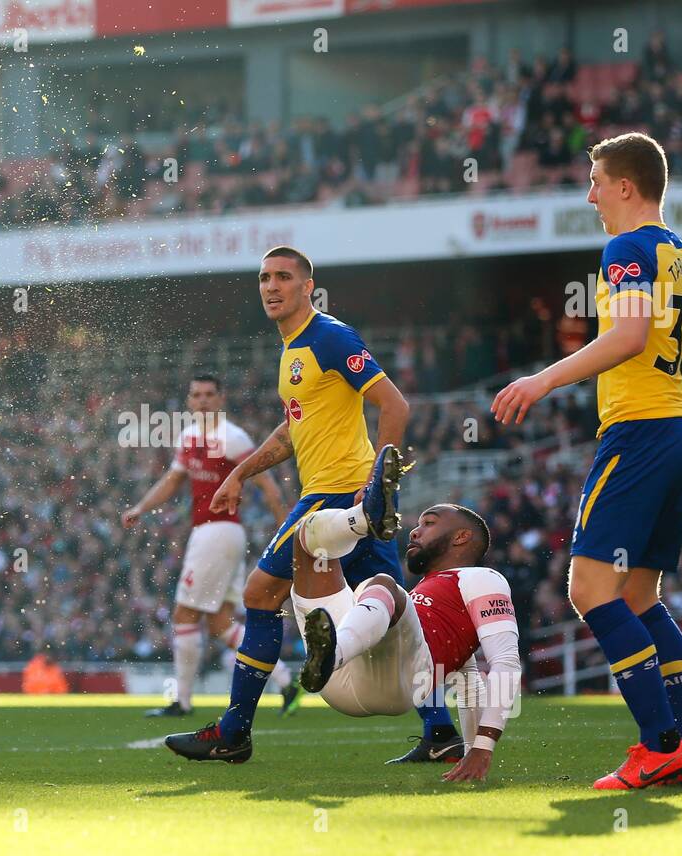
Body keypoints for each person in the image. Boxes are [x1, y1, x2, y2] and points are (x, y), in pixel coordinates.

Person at [166, 246, 461, 764]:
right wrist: (240, 471)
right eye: (264, 278)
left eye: (283, 276)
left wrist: (377, 487)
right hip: (349, 501)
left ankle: (234, 732)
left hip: (336, 497)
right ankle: (440, 732)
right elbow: (291, 433)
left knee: (259, 595)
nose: (271, 286)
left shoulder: (329, 336)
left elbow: (394, 405)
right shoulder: (293, 351)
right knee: (396, 612)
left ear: (308, 285)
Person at [492, 132, 682, 789]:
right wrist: (665, 399)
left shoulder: (626, 248)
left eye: (595, 181)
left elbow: (626, 336)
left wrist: (542, 381)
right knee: (642, 594)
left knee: (590, 589)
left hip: (643, 433)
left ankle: (659, 745)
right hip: (681, 429)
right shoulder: (678, 253)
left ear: (625, 186)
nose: (589, 194)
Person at [296, 493, 522, 782]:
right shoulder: (436, 594)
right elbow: (469, 682)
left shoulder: (484, 578)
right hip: (343, 681)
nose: (415, 531)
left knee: (382, 584)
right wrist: (470, 752)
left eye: (429, 522)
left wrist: (484, 747)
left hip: (393, 679)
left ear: (462, 537)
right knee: (310, 538)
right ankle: (360, 518)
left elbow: (506, 664)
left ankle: (332, 654)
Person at [123, 374, 291, 717]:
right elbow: (172, 483)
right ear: (188, 400)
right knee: (218, 624)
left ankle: (182, 701)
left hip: (219, 530)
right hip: (212, 532)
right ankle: (287, 680)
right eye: (196, 395)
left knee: (184, 614)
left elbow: (268, 487)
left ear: (221, 399)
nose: (202, 401)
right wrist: (141, 507)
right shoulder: (188, 437)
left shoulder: (233, 437)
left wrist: (284, 534)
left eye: (209, 395)